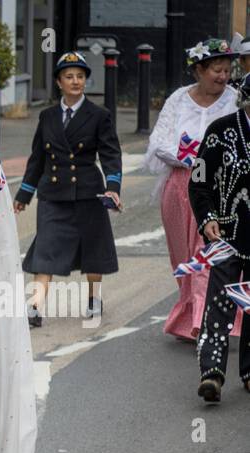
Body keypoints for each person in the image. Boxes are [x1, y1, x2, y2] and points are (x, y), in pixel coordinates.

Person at [14, 51, 123, 327]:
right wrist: (24, 194)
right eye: (69, 77)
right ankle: (36, 306)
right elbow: (37, 158)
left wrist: (113, 188)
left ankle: (94, 298)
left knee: (93, 249)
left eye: (80, 76)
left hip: (88, 193)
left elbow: (111, 154)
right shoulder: (47, 116)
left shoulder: (99, 115)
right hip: (53, 194)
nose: (75, 81)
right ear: (59, 82)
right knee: (46, 249)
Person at [146, 38, 238, 340]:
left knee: (207, 253)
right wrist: (190, 155)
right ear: (199, 69)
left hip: (218, 187)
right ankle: (189, 314)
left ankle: (205, 319)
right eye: (216, 70)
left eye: (227, 70)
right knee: (183, 257)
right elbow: (159, 142)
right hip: (178, 187)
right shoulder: (178, 99)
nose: (223, 77)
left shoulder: (235, 100)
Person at [188, 73, 250, 402]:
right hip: (226, 232)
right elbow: (198, 183)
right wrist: (207, 218)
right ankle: (212, 373)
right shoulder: (219, 132)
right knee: (220, 303)